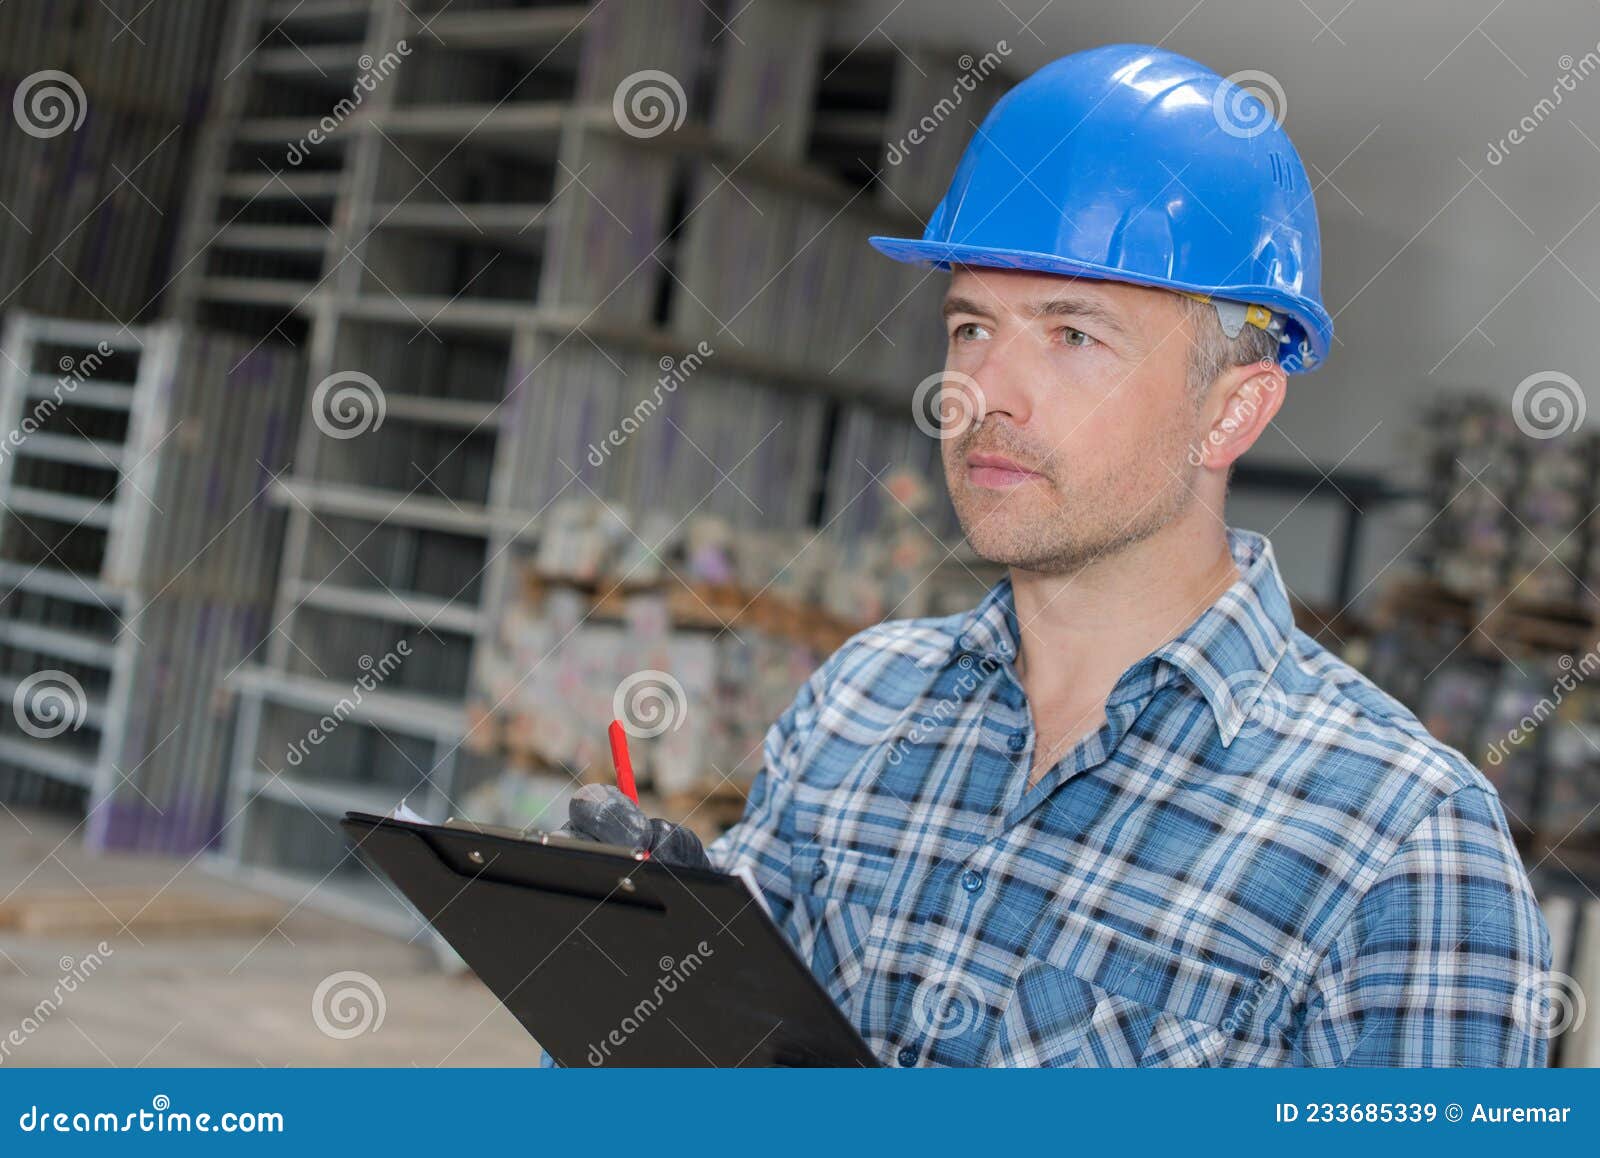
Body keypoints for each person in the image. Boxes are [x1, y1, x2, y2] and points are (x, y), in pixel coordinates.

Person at [562, 43, 1550, 1067]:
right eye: (972, 327)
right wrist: (646, 981)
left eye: (1073, 335)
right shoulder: (858, 706)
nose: (985, 394)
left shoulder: (1400, 843)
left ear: (1233, 409)